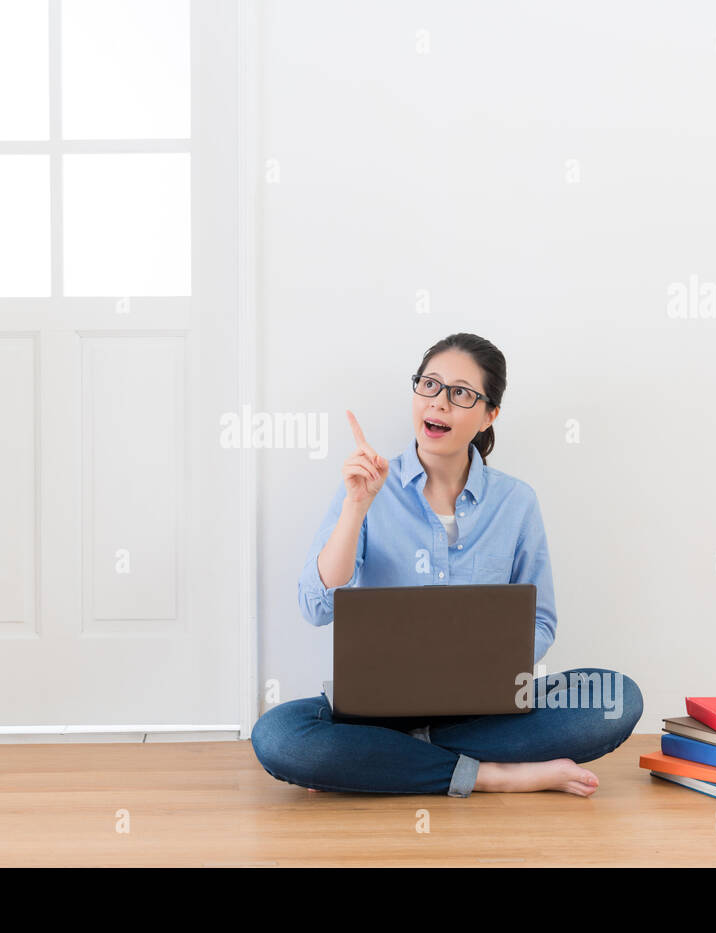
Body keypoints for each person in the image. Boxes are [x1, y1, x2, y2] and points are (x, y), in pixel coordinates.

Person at [251, 332, 643, 797]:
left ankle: (380, 758)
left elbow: (540, 622)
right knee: (278, 735)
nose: (438, 403)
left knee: (616, 698)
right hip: (376, 709)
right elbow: (315, 607)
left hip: (483, 710)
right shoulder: (368, 485)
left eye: (460, 393)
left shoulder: (516, 502)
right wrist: (357, 507)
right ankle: (490, 775)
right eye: (429, 385)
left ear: (489, 414)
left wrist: (483, 672)